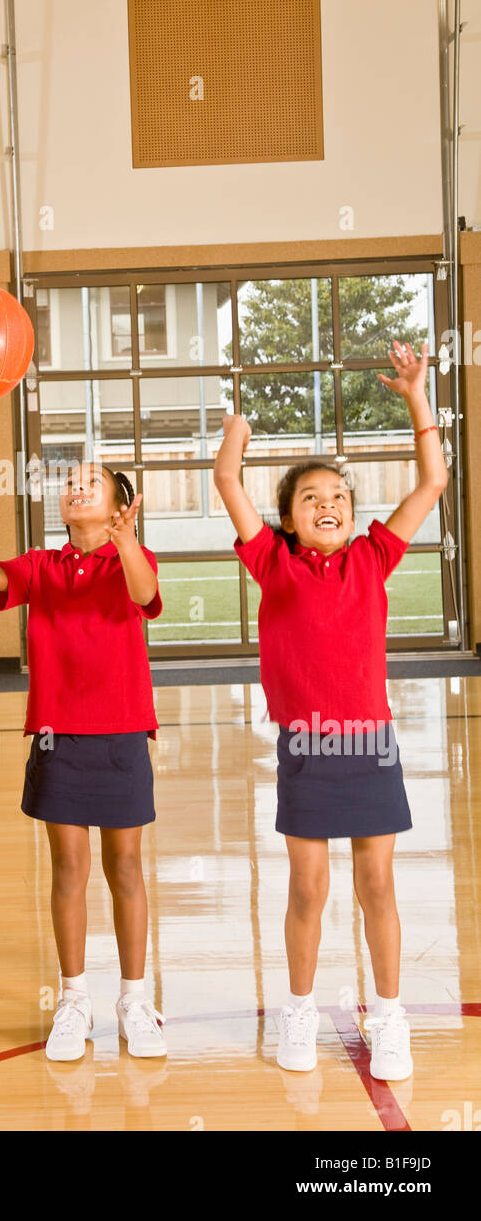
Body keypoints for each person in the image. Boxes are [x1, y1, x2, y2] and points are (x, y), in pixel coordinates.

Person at [213, 341, 448, 1081]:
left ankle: (389, 1016)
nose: (328, 505)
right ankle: (301, 1011)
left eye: (339, 498)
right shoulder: (271, 561)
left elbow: (434, 478)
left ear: (354, 515)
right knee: (308, 888)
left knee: (378, 883)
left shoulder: (373, 555)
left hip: (370, 742)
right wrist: (236, 437)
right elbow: (227, 478)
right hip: (308, 747)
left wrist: (416, 393)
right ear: (287, 517)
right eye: (311, 498)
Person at [0, 447, 166, 1061]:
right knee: (69, 868)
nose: (77, 487)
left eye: (94, 483)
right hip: (59, 735)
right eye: (71, 482)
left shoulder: (128, 560)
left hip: (122, 733)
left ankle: (135, 1000)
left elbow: (143, 593)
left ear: (119, 505)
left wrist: (129, 539)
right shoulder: (42, 566)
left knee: (127, 867)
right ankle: (74, 999)